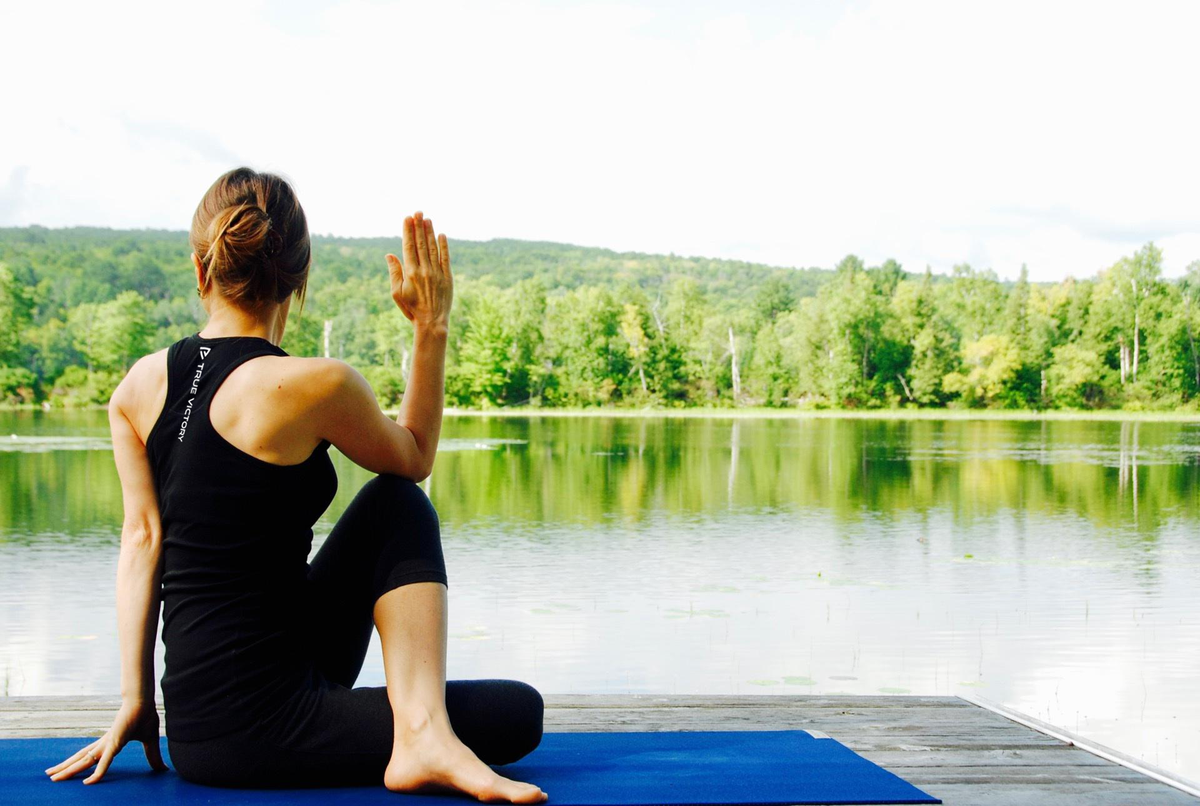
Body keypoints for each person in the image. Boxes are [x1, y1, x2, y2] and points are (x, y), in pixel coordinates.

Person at [43, 167, 548, 802]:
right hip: (260, 733)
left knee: (391, 505)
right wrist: (431, 327)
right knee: (515, 710)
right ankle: (421, 734)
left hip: (196, 730)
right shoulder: (316, 385)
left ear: (201, 269)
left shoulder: (136, 388)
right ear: (299, 279)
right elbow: (415, 456)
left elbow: (142, 542)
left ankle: (422, 731)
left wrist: (137, 699)